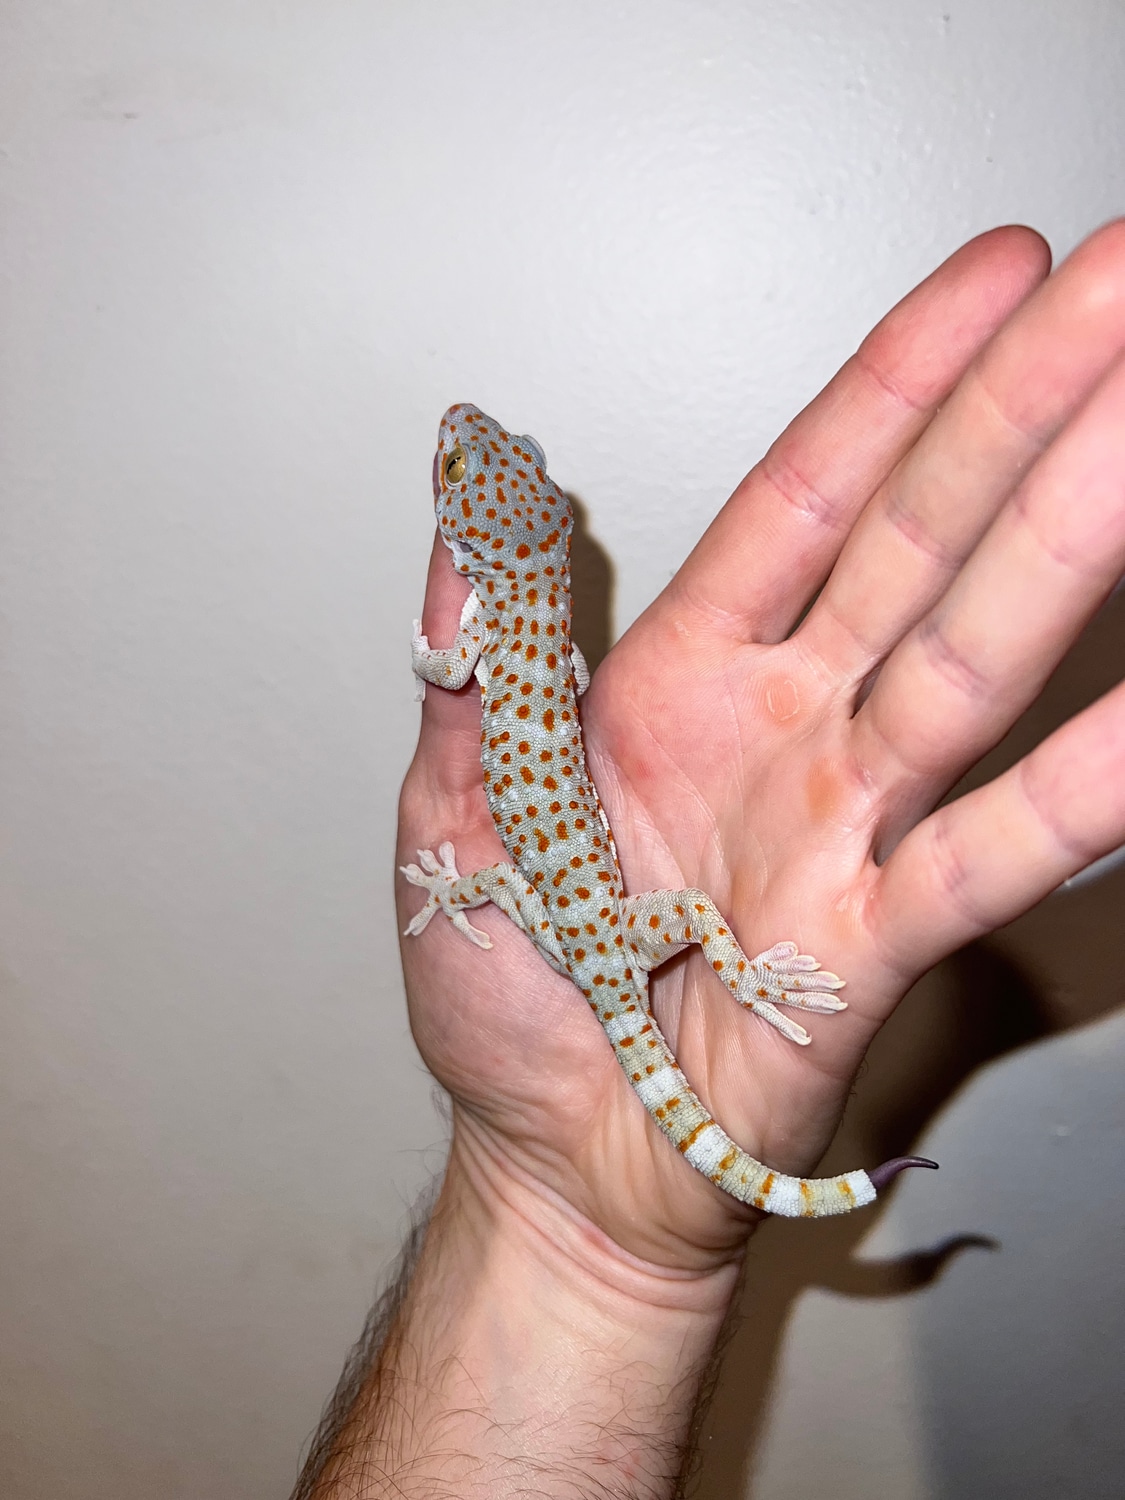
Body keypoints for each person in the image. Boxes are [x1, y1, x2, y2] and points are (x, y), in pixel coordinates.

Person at [295, 221, 1125, 1499]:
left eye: (487, 462)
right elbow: (542, 683)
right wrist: (721, 973)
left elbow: (452, 668)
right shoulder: (548, 631)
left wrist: (460, 823)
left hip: (560, 913)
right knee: (674, 914)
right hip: (597, 931)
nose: (469, 437)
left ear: (477, 541)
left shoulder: (494, 644)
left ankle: (523, 913)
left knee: (578, 896)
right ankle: (709, 978)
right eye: (479, 461)